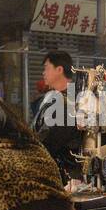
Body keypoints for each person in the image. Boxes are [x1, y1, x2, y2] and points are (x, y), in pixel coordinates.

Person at [32, 50, 83, 182]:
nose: (43, 73)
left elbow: (47, 142)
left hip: (61, 177)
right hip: (56, 173)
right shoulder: (57, 98)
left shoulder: (66, 103)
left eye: (47, 68)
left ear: (59, 69)